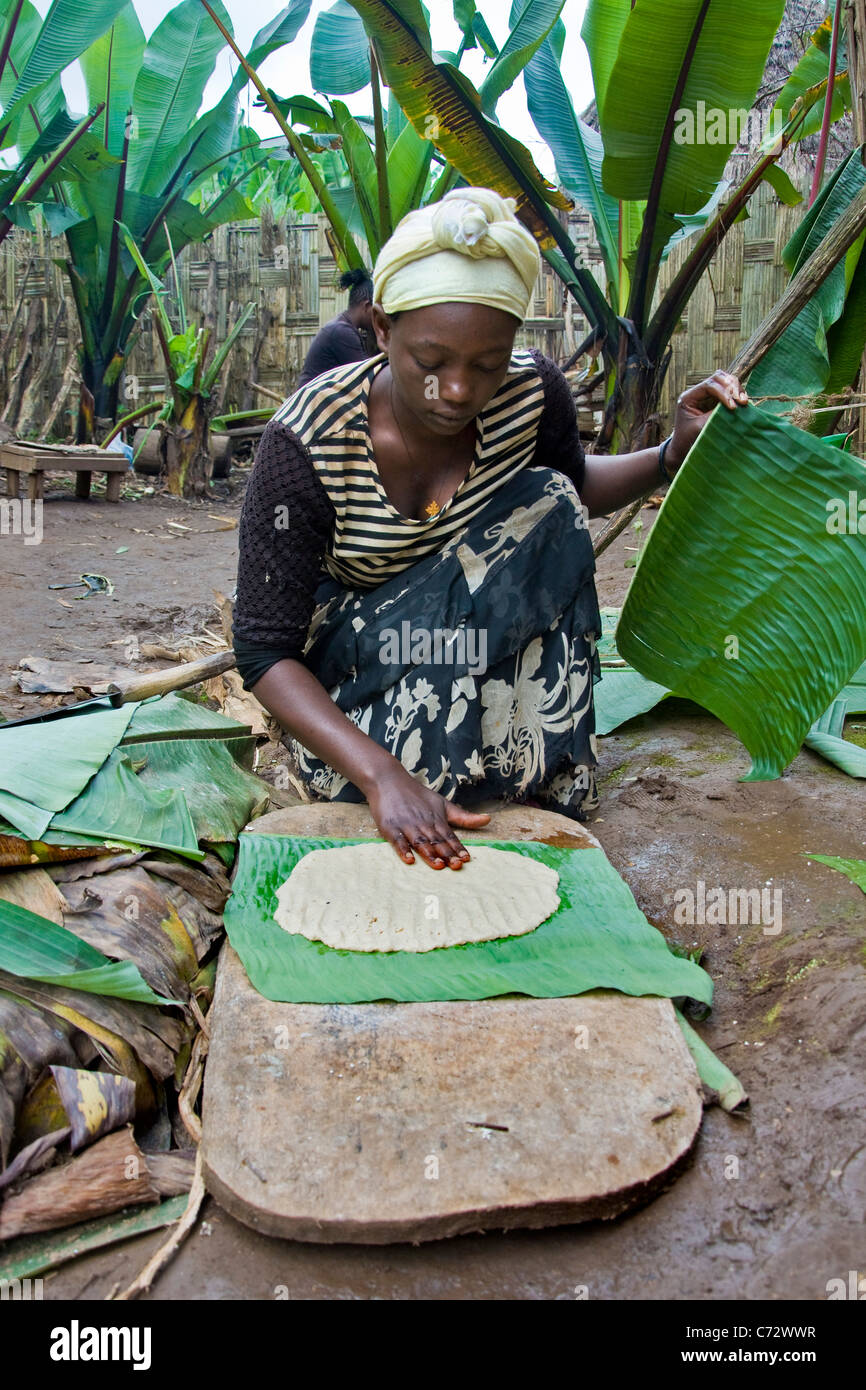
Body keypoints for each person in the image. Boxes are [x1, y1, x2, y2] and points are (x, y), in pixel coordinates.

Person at [233, 187, 749, 871]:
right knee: (400, 779)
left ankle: (537, 766)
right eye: (431, 361)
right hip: (357, 659)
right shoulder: (306, 442)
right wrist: (382, 775)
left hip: (465, 633)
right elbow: (264, 653)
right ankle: (382, 759)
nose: (457, 390)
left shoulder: (531, 394)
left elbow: (578, 490)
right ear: (383, 330)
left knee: (550, 501)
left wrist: (669, 455)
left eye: (486, 364)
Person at [296, 268, 374, 387]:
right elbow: (369, 378)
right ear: (367, 306)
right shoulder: (342, 332)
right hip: (312, 404)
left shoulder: (341, 327)